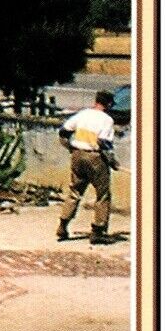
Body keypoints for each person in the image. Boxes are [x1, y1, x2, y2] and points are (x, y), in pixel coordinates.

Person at [57, 90, 119, 244]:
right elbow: (104, 142)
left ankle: (63, 225)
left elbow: (64, 131)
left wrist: (70, 148)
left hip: (78, 155)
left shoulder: (83, 114)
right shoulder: (107, 120)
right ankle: (98, 231)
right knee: (103, 195)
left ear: (96, 101)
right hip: (95, 157)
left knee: (75, 191)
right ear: (109, 104)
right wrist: (112, 161)